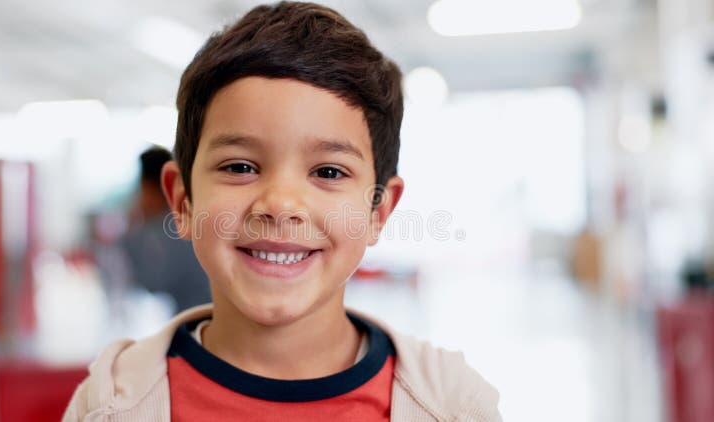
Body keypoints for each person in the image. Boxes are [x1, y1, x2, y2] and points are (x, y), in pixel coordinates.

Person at [63, 2, 500, 421]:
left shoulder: (452, 407)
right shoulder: (110, 404)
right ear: (182, 201)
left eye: (328, 171)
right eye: (239, 166)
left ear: (377, 213)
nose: (281, 204)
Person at [119, 146, 211, 312]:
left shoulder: (175, 226)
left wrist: (131, 234)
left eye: (141, 190)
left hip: (199, 321)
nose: (139, 198)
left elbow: (155, 283)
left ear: (152, 188)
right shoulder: (186, 215)